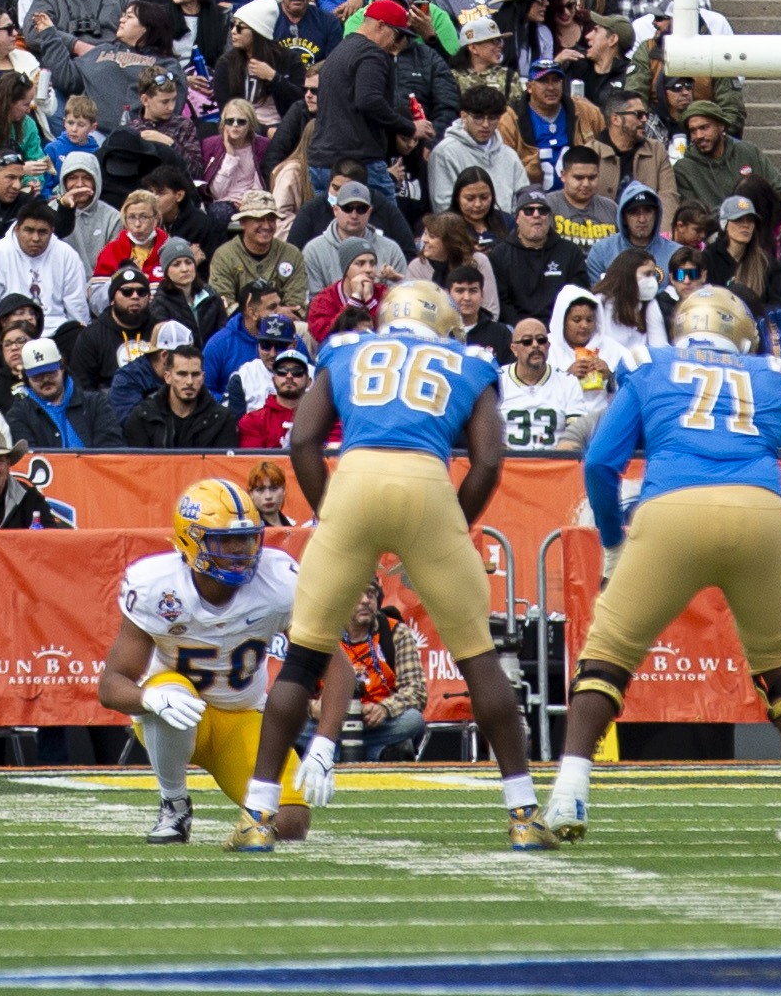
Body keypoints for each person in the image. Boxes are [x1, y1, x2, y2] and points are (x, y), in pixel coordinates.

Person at [233, 278, 548, 850]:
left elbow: (303, 440)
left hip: (355, 480)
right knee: (480, 660)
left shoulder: (349, 347)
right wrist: (455, 522)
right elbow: (488, 460)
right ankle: (523, 814)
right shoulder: (469, 359)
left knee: (303, 660)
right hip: (427, 485)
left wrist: (332, 512)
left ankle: (257, 818)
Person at [547, 283, 781, 841]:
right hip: (761, 511)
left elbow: (602, 462)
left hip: (671, 509)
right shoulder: (776, 375)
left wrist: (611, 540)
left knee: (607, 654)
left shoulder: (651, 365)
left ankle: (568, 797)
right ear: (741, 334)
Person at [97, 474, 310, 845]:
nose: (243, 549)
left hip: (243, 714)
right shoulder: (157, 585)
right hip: (173, 713)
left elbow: (329, 656)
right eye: (227, 540)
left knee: (291, 825)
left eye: (247, 537)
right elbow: (112, 683)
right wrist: (149, 698)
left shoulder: (278, 580)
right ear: (190, 540)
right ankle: (174, 804)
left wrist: (323, 740)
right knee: (173, 693)